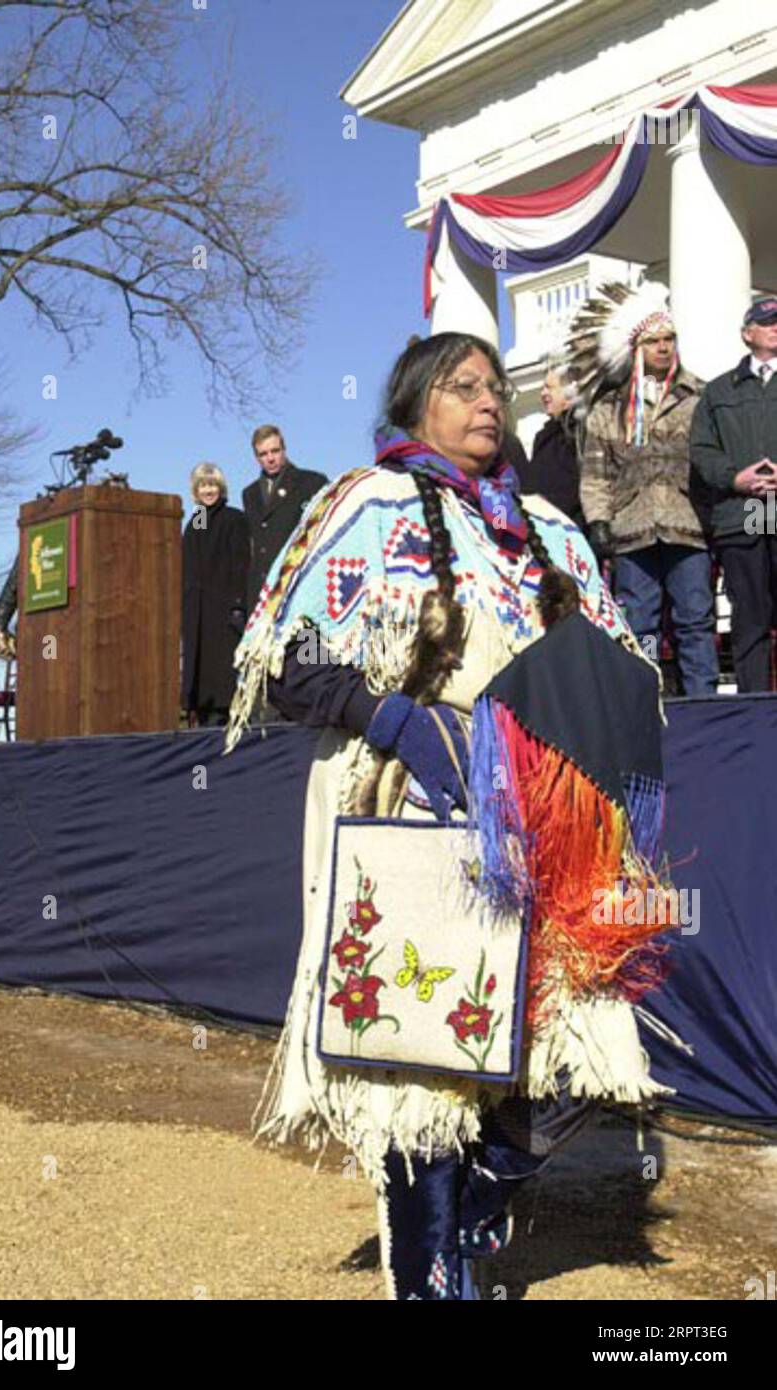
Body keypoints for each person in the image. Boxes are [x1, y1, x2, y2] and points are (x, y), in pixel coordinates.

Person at [226, 333, 672, 1301]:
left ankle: (476, 1195)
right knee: (423, 1053)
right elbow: (286, 662)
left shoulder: (547, 529)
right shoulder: (361, 506)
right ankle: (429, 1264)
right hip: (405, 797)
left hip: (542, 804)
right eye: (459, 387)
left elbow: (617, 668)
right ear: (413, 404)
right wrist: (399, 721)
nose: (485, 402)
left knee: (581, 1047)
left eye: (490, 387)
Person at [575, 282, 718, 696]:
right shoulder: (609, 408)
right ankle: (645, 697)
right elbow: (596, 473)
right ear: (636, 348)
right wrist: (599, 521)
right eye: (653, 340)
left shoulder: (700, 397)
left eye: (669, 339)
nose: (663, 347)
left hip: (686, 524)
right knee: (640, 621)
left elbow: (713, 459)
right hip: (631, 529)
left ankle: (703, 700)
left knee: (695, 618)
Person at [690, 296, 777, 692]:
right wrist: (734, 478)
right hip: (741, 515)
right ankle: (756, 709)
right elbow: (701, 450)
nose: (776, 327)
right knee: (750, 617)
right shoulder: (719, 390)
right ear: (748, 334)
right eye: (768, 322)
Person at [181, 464, 249, 726]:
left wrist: (237, 605)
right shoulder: (195, 522)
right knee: (200, 683)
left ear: (220, 487)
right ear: (195, 491)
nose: (208, 490)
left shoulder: (234, 519)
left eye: (212, 485)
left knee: (223, 682)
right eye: (202, 486)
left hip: (223, 612)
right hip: (197, 614)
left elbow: (240, 564)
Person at [241, 425, 327, 613]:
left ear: (284, 450)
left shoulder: (311, 483)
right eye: (263, 454)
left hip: (296, 586)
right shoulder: (250, 494)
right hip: (261, 593)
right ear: (256, 458)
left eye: (275, 451)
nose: (270, 458)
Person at [520, 363, 586, 529]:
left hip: (574, 527)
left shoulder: (583, 430)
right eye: (542, 387)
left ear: (570, 392)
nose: (543, 393)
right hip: (543, 524)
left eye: (549, 388)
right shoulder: (543, 436)